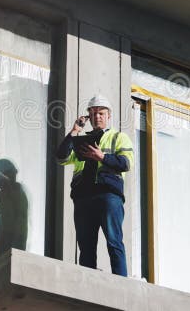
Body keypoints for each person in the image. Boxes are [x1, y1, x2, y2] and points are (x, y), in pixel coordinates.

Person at [56, 94, 133, 276]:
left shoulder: (119, 138)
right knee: (86, 247)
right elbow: (61, 157)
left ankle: (121, 282)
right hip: (84, 198)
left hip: (108, 196)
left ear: (108, 116)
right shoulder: (81, 141)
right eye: (93, 113)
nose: (97, 116)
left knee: (114, 241)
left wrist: (102, 157)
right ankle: (87, 285)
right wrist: (74, 131)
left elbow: (126, 163)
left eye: (101, 113)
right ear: (88, 117)